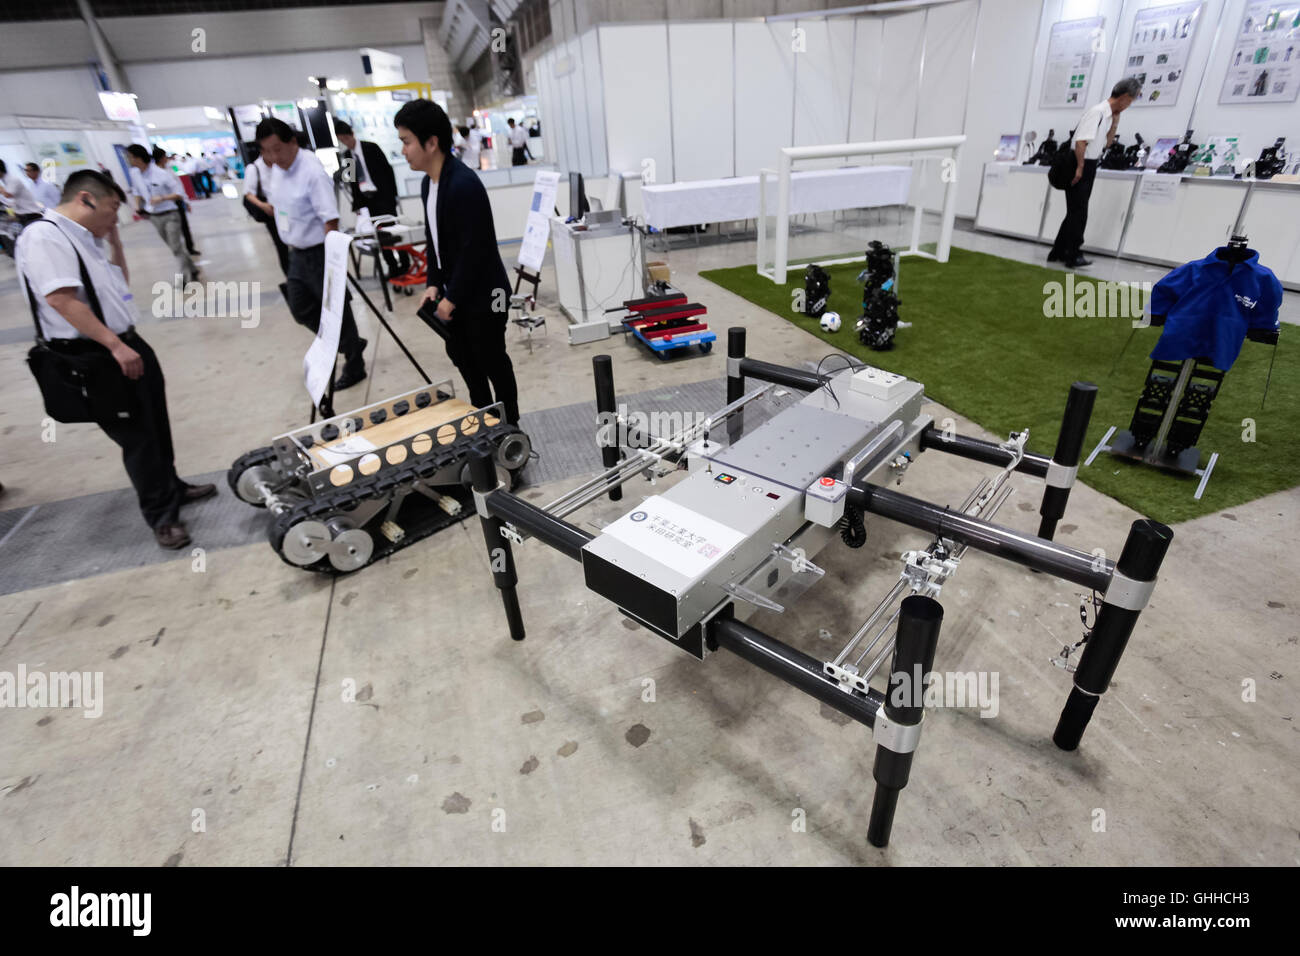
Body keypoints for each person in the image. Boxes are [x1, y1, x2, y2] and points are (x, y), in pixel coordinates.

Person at [14, 170, 215, 549]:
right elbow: (60, 299)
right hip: (98, 354)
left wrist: (115, 242)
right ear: (86, 199)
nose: (115, 216)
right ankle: (162, 517)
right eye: (112, 207)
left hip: (125, 343)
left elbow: (116, 286)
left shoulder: (83, 237)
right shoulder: (45, 236)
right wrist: (114, 346)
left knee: (155, 420)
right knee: (136, 436)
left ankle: (171, 486)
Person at [395, 98, 519, 424]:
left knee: (492, 361)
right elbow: (436, 242)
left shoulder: (463, 185)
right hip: (457, 296)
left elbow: (474, 250)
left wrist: (453, 297)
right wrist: (434, 284)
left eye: (407, 142)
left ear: (431, 142)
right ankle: (486, 423)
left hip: (486, 295)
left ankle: (510, 428)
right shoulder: (429, 184)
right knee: (466, 362)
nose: (404, 150)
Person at [248, 117, 368, 391]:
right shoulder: (277, 170)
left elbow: (330, 219)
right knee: (301, 308)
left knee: (336, 309)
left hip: (319, 251)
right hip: (296, 253)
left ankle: (354, 363)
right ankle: (349, 343)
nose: (272, 157)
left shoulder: (312, 171)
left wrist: (333, 264)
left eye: (277, 149)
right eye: (265, 151)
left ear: (292, 142)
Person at [1049, 77, 1142, 269]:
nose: (1129, 105)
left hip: (1089, 164)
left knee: (1074, 212)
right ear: (1124, 97)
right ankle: (1073, 254)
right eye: (1131, 101)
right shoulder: (1097, 112)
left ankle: (1058, 251)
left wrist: (1115, 122)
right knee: (1079, 213)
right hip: (1080, 163)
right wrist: (1080, 168)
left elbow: (1106, 144)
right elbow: (1080, 142)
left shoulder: (1108, 115)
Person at [333, 119, 410, 278]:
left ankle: (405, 263)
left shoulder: (370, 148)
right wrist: (357, 206)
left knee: (393, 231)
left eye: (346, 138)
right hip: (367, 200)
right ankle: (392, 267)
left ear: (352, 134)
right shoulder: (348, 156)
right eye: (341, 140)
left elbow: (387, 171)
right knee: (378, 236)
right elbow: (353, 183)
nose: (345, 142)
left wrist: (393, 195)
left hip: (383, 196)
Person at [125, 144, 198, 282]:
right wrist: (137, 206)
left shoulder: (161, 173)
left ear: (138, 157)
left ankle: (186, 279)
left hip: (170, 213)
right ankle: (192, 268)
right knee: (173, 246)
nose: (129, 160)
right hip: (154, 216)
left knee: (176, 246)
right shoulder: (135, 174)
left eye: (130, 157)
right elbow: (136, 191)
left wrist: (163, 198)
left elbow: (179, 193)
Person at [242, 144, 289, 277]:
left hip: (286, 210)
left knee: (291, 241)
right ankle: (290, 276)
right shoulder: (254, 168)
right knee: (282, 245)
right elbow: (248, 193)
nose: (273, 155)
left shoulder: (278, 165)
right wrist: (263, 206)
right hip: (273, 213)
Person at [153, 146, 200, 257]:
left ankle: (190, 248)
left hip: (177, 201)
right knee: (174, 234)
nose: (167, 158)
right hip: (165, 207)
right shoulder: (154, 173)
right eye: (165, 156)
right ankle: (181, 254)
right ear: (160, 158)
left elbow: (179, 184)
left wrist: (186, 201)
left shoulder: (172, 168)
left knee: (184, 226)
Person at [0, 159, 45, 225]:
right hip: (23, 215)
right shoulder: (5, 181)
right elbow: (9, 202)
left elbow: (8, 195)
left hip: (31, 215)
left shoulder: (12, 179)